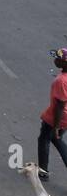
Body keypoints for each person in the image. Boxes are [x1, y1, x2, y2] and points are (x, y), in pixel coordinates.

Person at [38, 49, 67, 178]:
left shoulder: (61, 81)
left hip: (58, 117)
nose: (55, 60)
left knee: (44, 138)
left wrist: (55, 127)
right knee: (56, 139)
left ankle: (43, 172)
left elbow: (60, 106)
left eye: (58, 58)